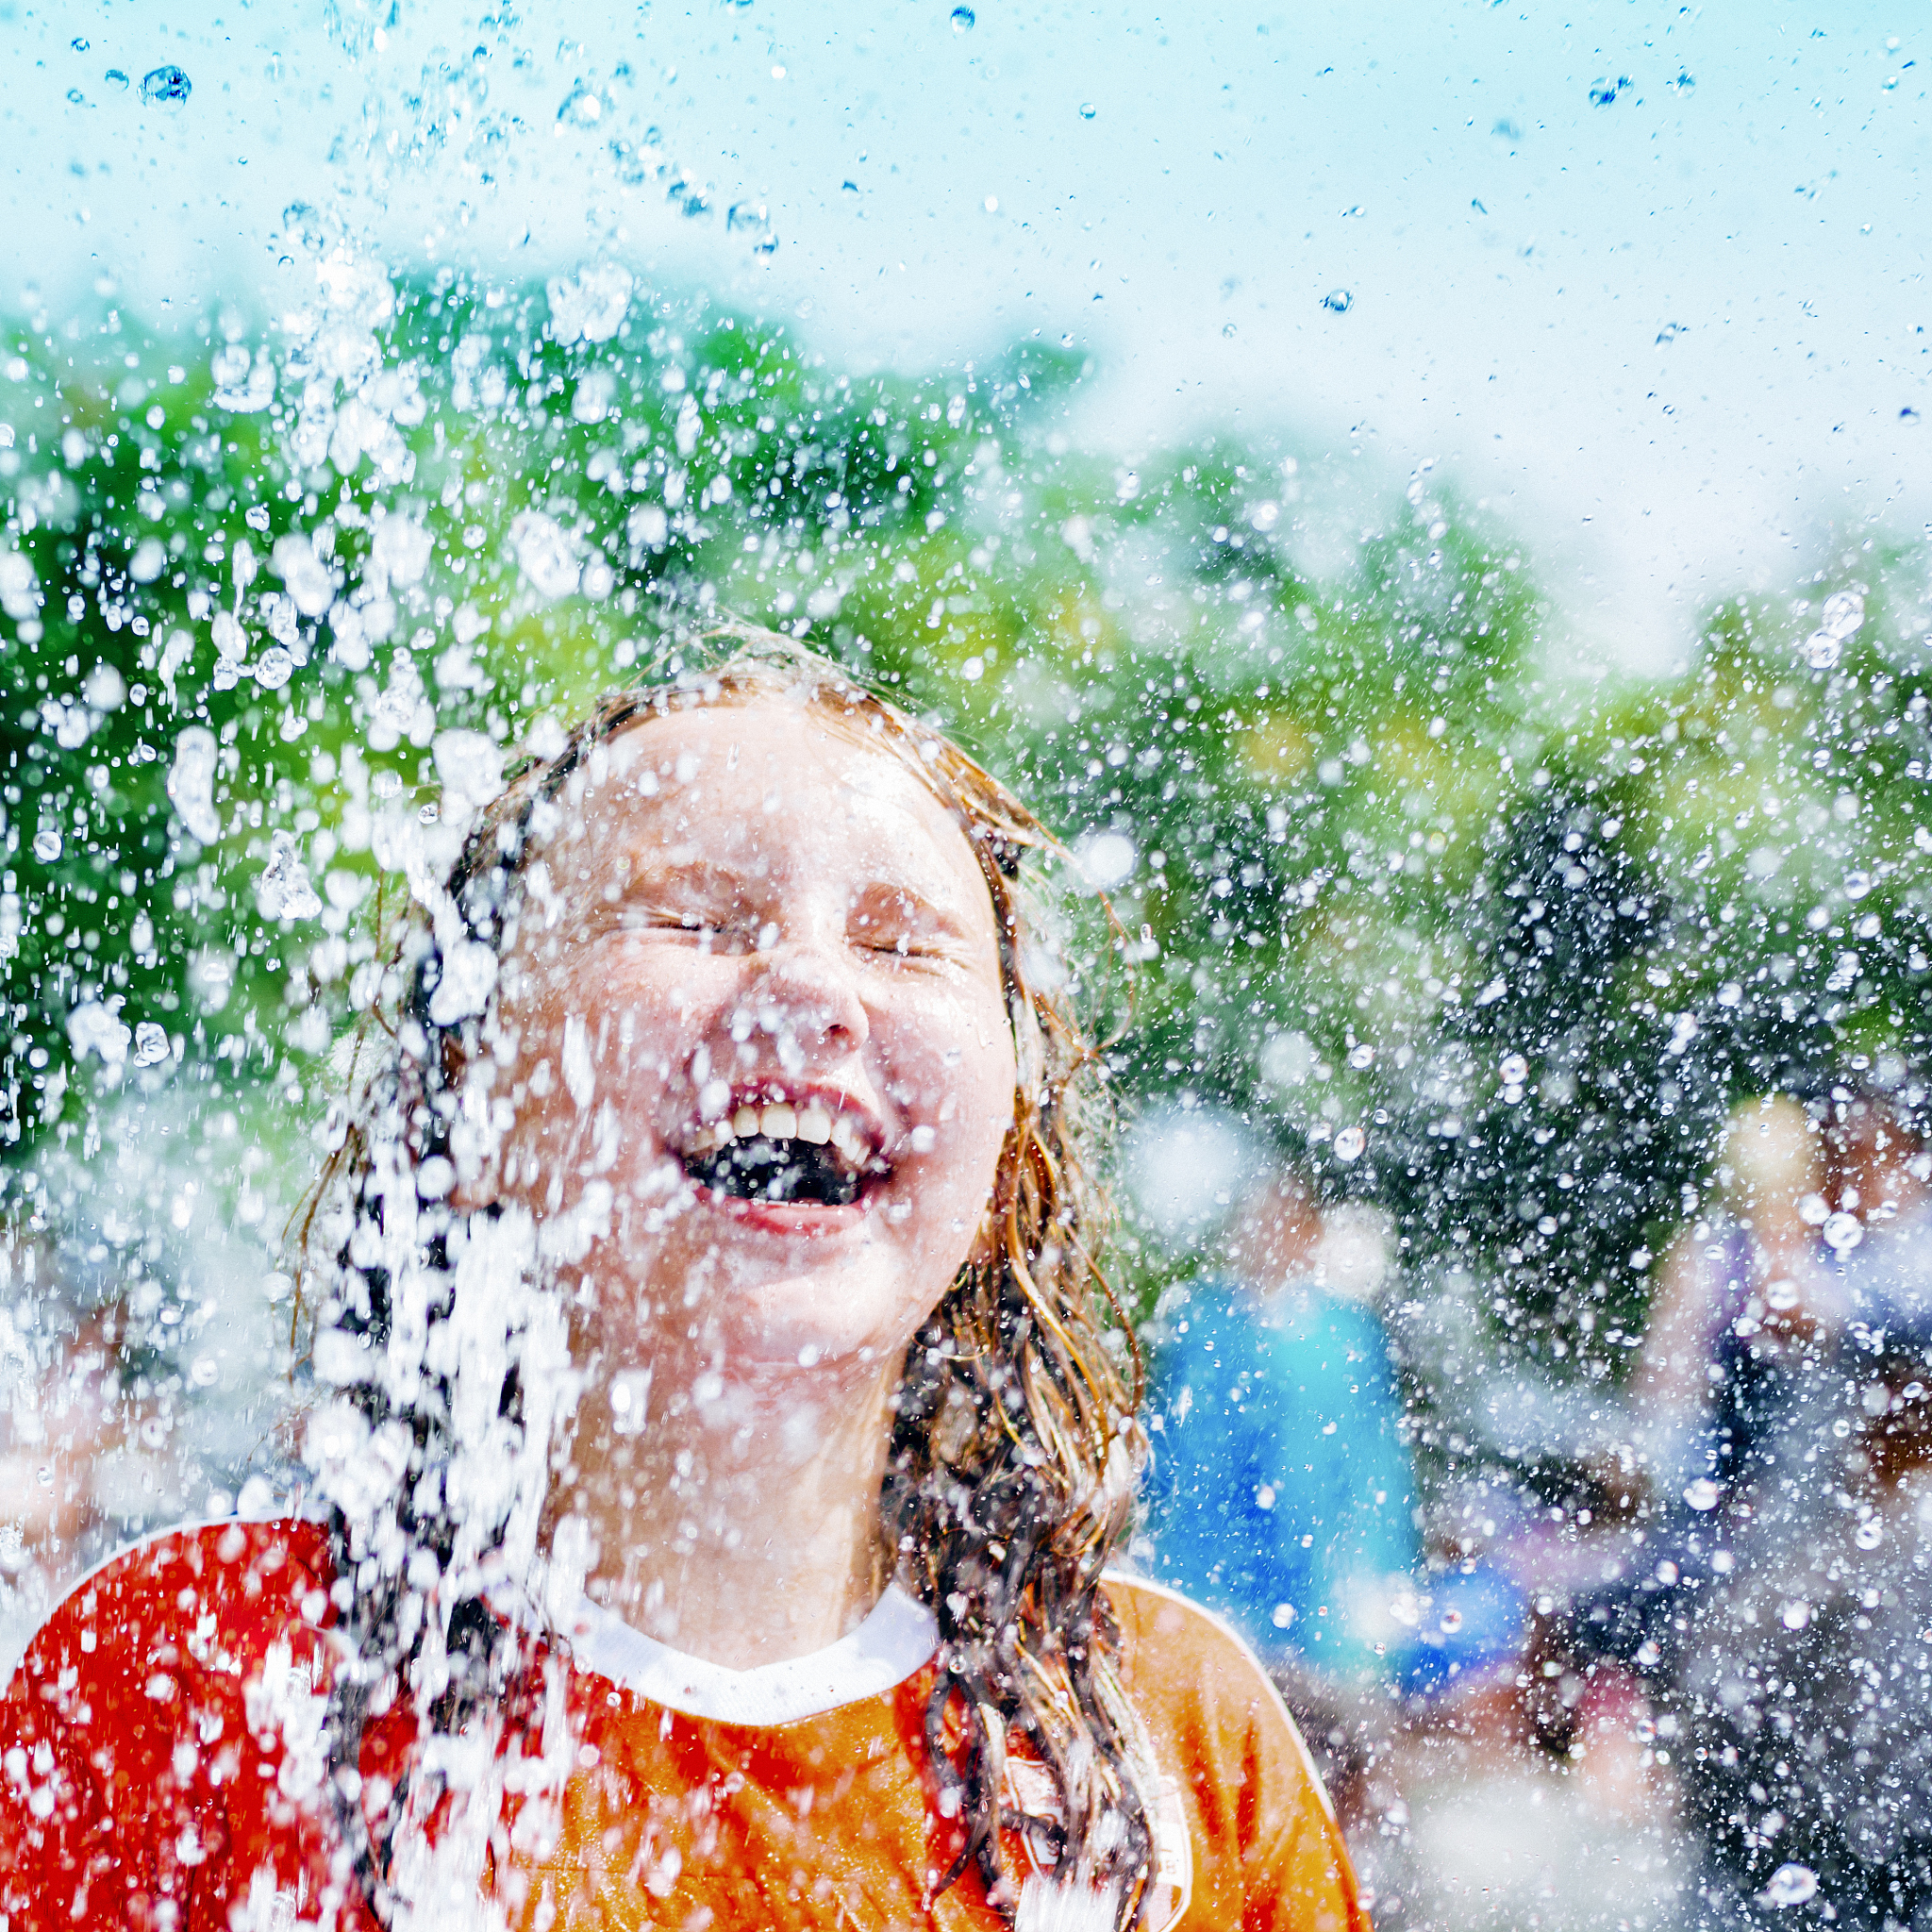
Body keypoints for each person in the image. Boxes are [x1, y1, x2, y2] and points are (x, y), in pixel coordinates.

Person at [0, 629, 1366, 1932]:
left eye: (903, 943)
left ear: (1010, 1143)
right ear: (481, 1091)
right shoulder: (206, 1680)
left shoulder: (1160, 1752)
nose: (814, 986)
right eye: (697, 918)